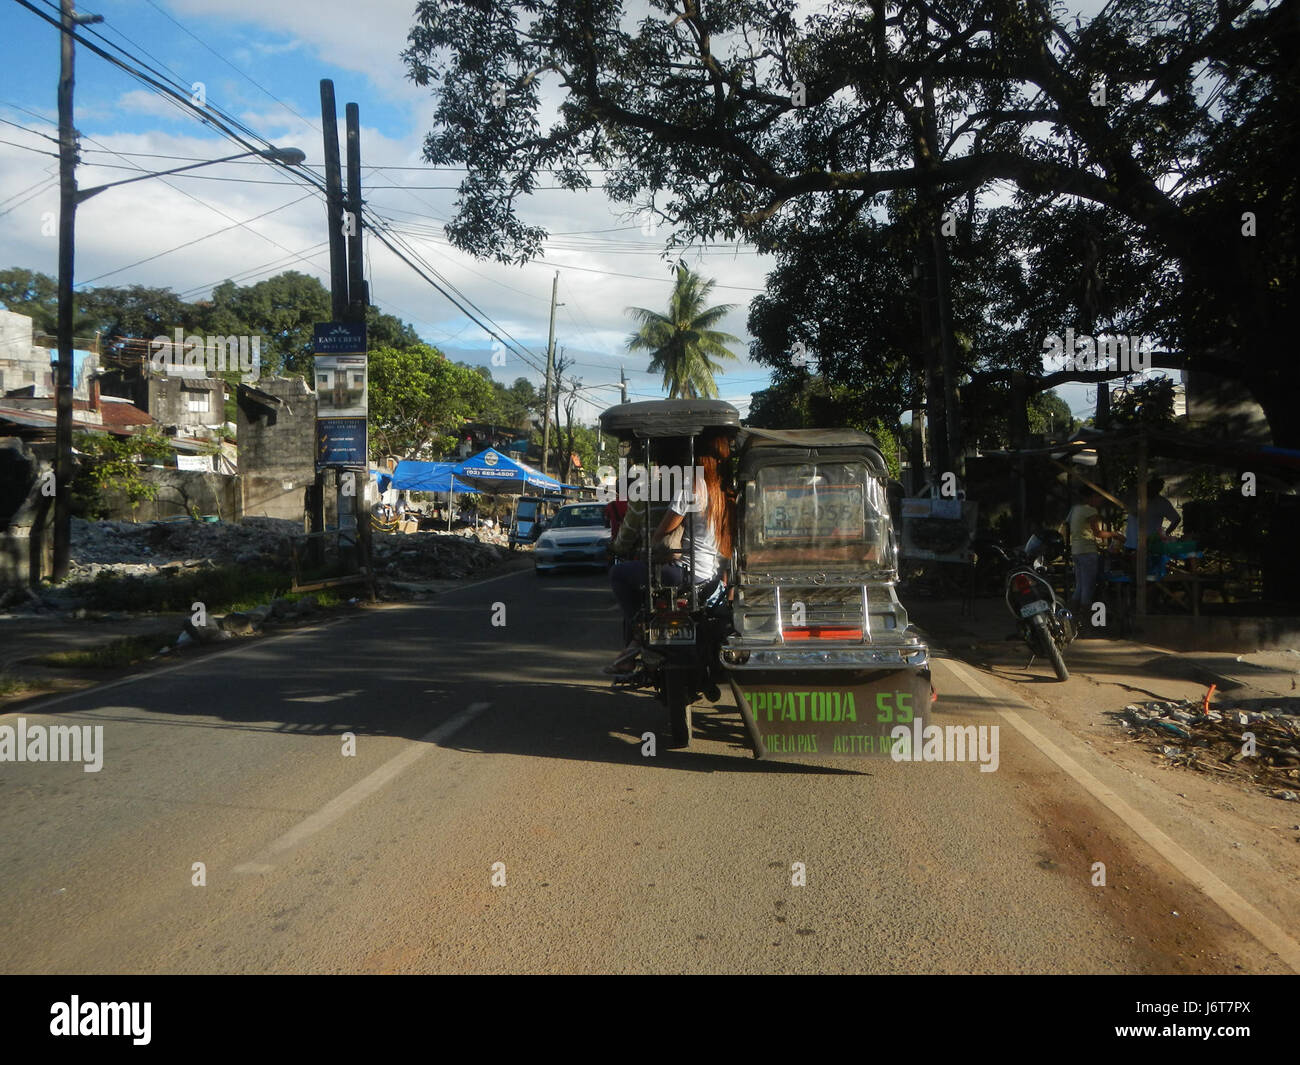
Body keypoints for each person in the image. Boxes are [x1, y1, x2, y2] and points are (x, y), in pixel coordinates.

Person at [604, 432, 734, 673]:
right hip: (712, 580)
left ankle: (638, 632)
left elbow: (660, 534)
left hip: (681, 573)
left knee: (618, 574)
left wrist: (653, 547)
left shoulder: (693, 486)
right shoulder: (728, 494)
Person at [1067, 486, 1123, 632]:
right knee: (1088, 587)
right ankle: (1086, 624)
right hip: (1087, 553)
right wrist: (1115, 535)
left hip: (1076, 551)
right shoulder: (1090, 510)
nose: (1100, 501)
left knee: (1079, 586)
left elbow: (1074, 529)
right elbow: (1098, 533)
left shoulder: (1075, 509)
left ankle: (1070, 620)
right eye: (1099, 498)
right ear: (1091, 497)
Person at [1124, 476, 1181, 552]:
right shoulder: (1134, 498)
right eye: (1151, 486)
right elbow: (1124, 501)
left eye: (1157, 488)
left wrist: (1164, 534)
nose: (1153, 490)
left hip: (1150, 546)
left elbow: (1176, 519)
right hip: (1131, 544)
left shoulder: (1162, 503)